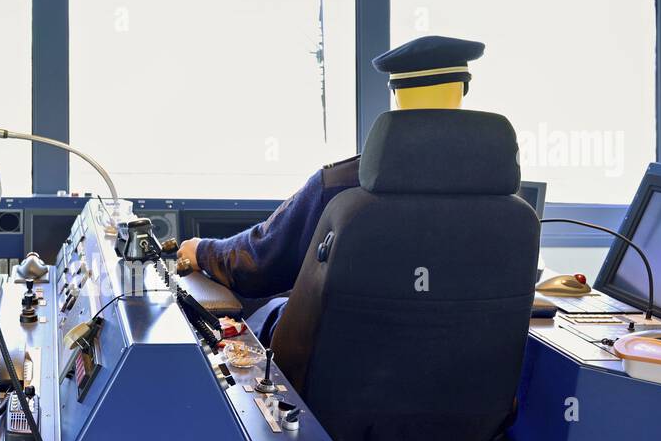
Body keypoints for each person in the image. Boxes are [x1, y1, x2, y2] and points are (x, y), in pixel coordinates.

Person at [176, 35, 486, 335]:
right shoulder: (502, 198)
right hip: (465, 378)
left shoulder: (342, 186)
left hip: (344, 375)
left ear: (396, 92)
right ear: (465, 89)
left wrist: (202, 251)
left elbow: (259, 263)